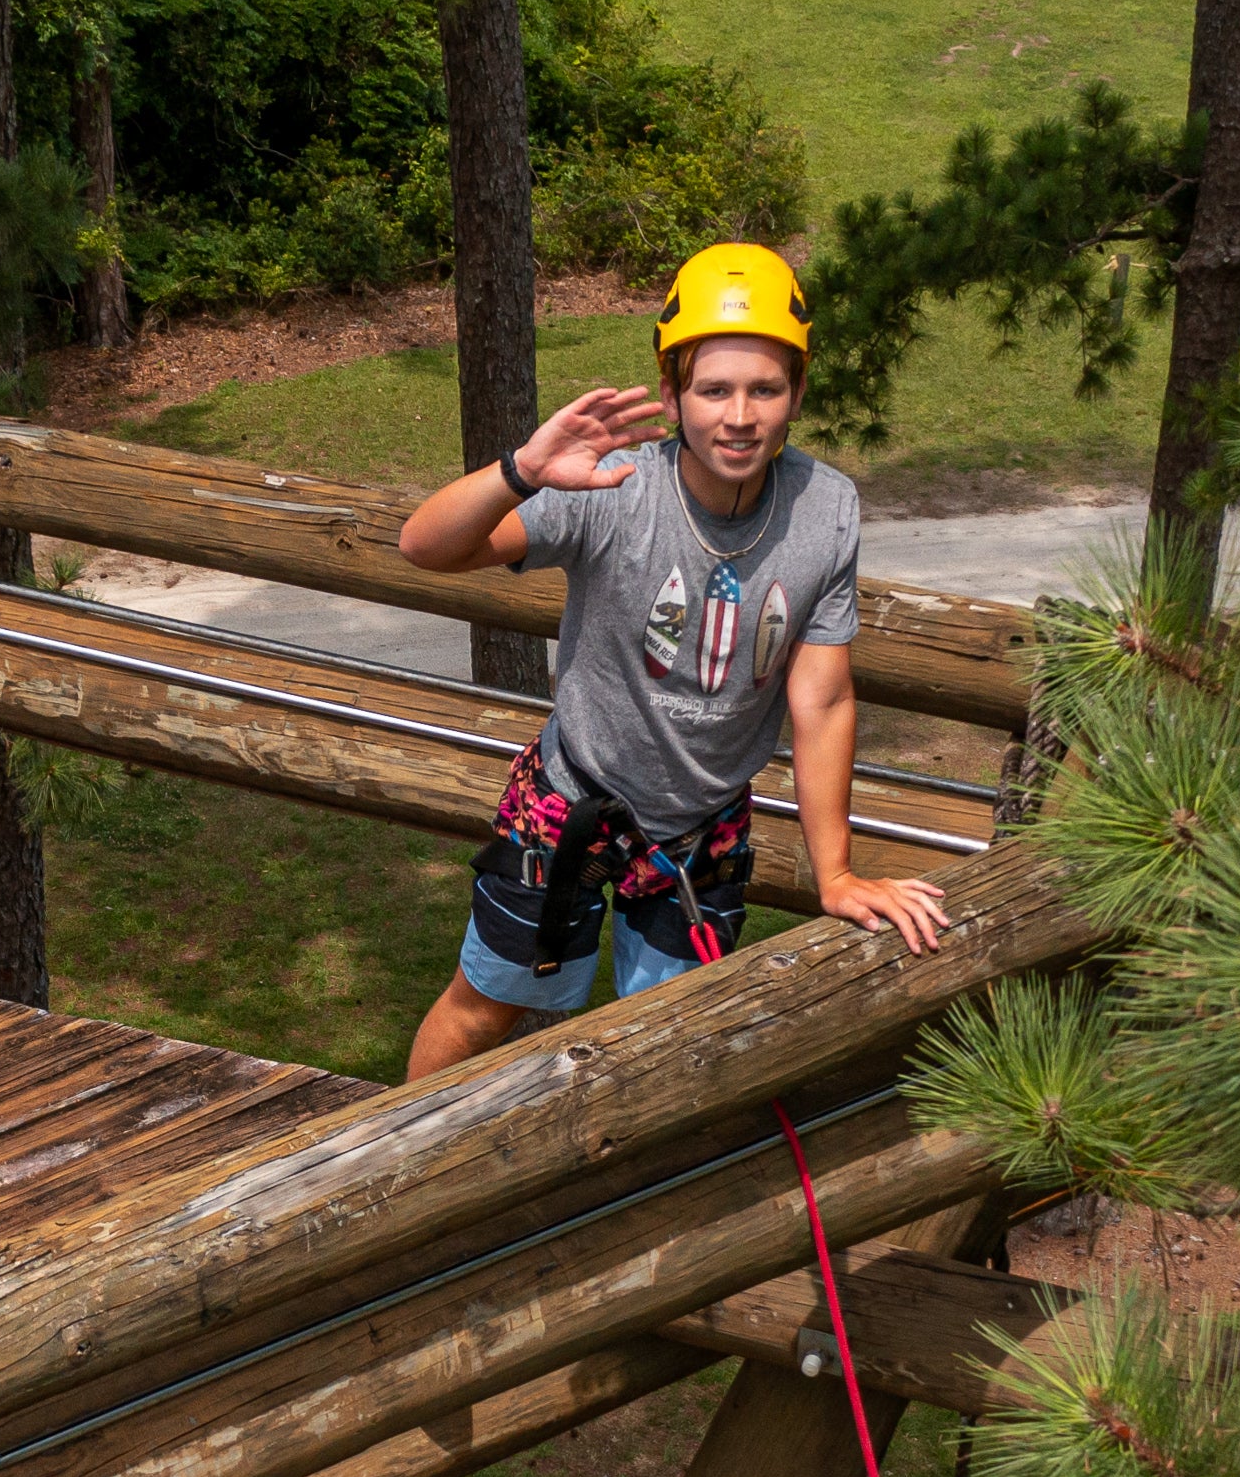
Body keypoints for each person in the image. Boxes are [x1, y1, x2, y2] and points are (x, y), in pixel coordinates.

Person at [396, 241, 947, 1079]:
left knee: (673, 1045)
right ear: (671, 394)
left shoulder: (826, 511)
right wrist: (520, 473)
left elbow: (824, 698)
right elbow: (426, 547)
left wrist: (833, 872)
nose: (739, 415)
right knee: (488, 1009)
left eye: (765, 389)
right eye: (713, 389)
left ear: (798, 393)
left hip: (701, 830)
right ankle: (405, 1172)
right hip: (572, 805)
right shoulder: (616, 489)